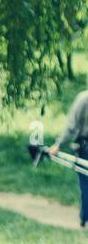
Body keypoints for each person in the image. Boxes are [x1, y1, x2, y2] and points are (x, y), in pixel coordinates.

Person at [52, 87, 88, 227]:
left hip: (85, 147)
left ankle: (85, 218)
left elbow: (71, 126)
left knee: (86, 183)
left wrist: (58, 144)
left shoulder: (84, 98)